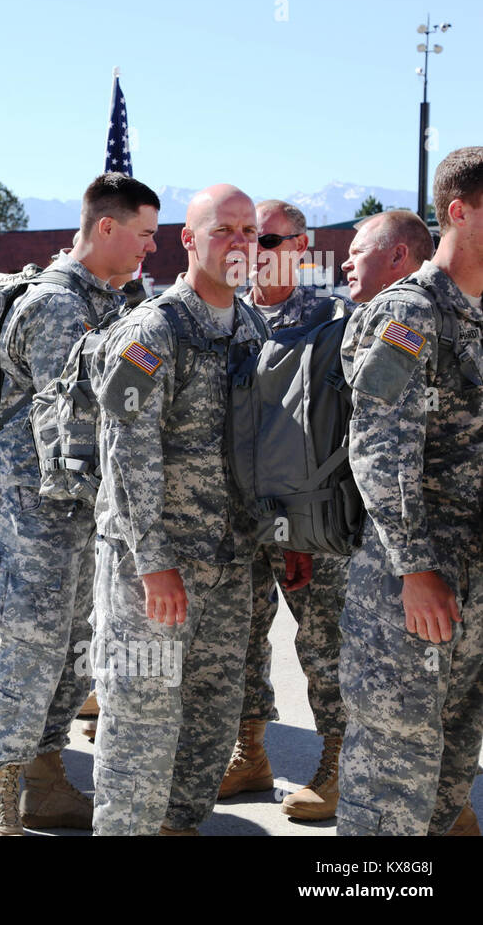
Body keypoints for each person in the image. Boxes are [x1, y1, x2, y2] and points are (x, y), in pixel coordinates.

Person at [0, 173, 160, 834]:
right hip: (34, 501)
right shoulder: (58, 304)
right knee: (31, 644)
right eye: (143, 235)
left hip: (77, 503)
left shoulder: (104, 300)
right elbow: (72, 412)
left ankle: (45, 775)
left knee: (75, 641)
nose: (149, 250)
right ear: (106, 227)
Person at [91, 184, 274, 836]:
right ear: (188, 240)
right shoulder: (152, 332)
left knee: (209, 722)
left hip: (230, 570)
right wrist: (154, 564)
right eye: (222, 230)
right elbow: (125, 451)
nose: (239, 244)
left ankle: (177, 827)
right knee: (140, 724)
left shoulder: (253, 327)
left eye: (249, 232)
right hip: (157, 573)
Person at [337, 147, 483, 836]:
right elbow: (378, 445)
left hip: (474, 579)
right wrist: (415, 567)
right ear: (459, 211)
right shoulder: (411, 312)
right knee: (390, 773)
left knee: (453, 768)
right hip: (415, 577)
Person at [220, 200, 347, 818]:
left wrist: (305, 527)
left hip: (308, 516)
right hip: (236, 515)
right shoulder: (226, 320)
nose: (253, 250)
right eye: (246, 238)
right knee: (242, 638)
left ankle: (337, 762)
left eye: (267, 239)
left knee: (324, 641)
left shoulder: (331, 322)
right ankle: (250, 753)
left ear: (301, 246)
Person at [341, 209, 435, 304]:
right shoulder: (433, 305)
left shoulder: (401, 312)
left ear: (397, 256)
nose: (345, 265)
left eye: (358, 252)